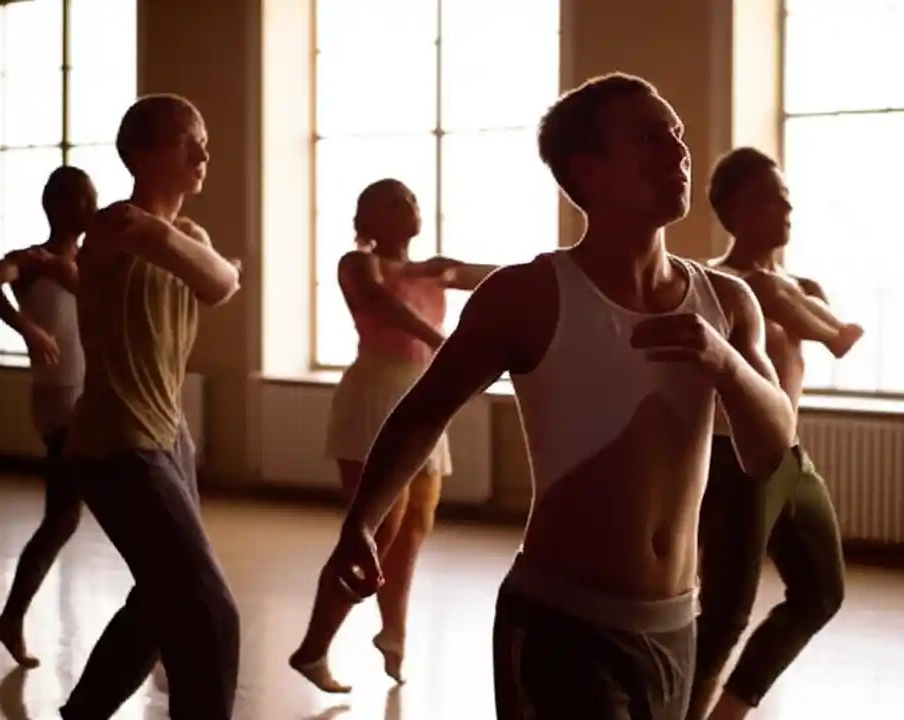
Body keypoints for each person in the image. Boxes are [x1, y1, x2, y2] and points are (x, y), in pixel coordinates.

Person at [302, 72, 794, 718]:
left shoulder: (727, 304)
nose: (678, 151)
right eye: (650, 138)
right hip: (564, 627)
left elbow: (771, 449)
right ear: (589, 172)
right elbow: (425, 410)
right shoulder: (528, 296)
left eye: (676, 134)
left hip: (674, 626)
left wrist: (724, 362)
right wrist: (361, 522)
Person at [59, 94, 242, 719]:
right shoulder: (114, 226)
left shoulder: (182, 233)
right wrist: (210, 260)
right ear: (141, 153)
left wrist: (206, 256)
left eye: (205, 141)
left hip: (169, 439)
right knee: (210, 613)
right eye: (187, 140)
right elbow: (220, 280)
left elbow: (219, 281)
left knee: (159, 603)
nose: (203, 152)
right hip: (117, 442)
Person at [290, 178, 497, 689]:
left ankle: (394, 633)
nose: (408, 206)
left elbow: (500, 279)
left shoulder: (436, 270)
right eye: (392, 202)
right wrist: (440, 338)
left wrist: (462, 272)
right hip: (374, 397)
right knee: (375, 529)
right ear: (366, 221)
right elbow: (382, 304)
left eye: (411, 199)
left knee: (415, 527)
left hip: (424, 398)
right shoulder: (359, 263)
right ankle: (314, 649)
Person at [687, 147, 851, 719]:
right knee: (726, 614)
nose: (786, 207)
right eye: (769, 197)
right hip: (733, 462)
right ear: (732, 210)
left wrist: (795, 300)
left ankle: (729, 710)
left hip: (789, 459)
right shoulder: (715, 283)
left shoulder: (798, 285)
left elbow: (831, 326)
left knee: (821, 594)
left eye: (787, 197)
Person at [0, 165, 97, 669]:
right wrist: (27, 327)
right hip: (59, 402)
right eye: (86, 199)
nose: (94, 206)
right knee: (73, 515)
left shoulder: (95, 262)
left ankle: (10, 618)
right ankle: (158, 626)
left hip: (93, 399)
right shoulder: (31, 261)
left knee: (64, 517)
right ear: (62, 205)